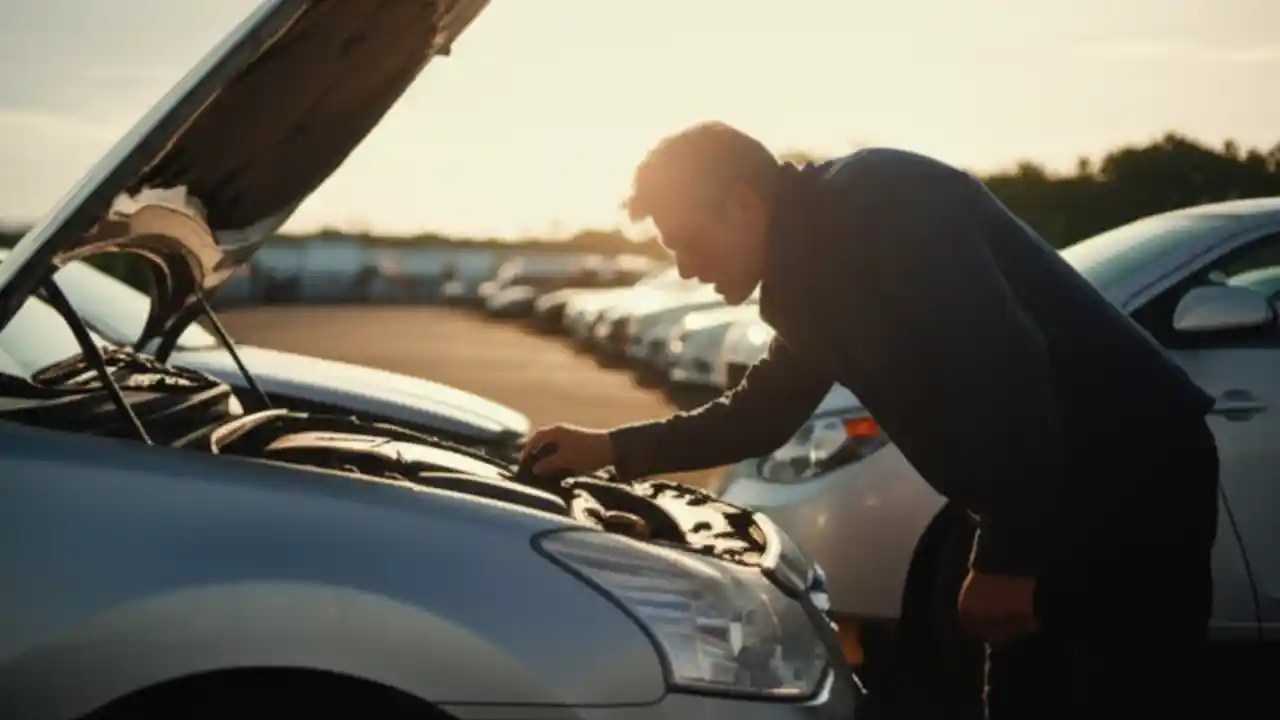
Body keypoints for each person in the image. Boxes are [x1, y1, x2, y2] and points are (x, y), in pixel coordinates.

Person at [521, 121, 1219, 718]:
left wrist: (1009, 557)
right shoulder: (809, 268)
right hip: (1054, 483)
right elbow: (761, 413)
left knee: (1123, 695)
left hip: (1129, 475)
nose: (683, 267)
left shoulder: (882, 205)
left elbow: (1004, 362)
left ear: (741, 204)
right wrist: (608, 447)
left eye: (685, 241)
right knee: (1028, 698)